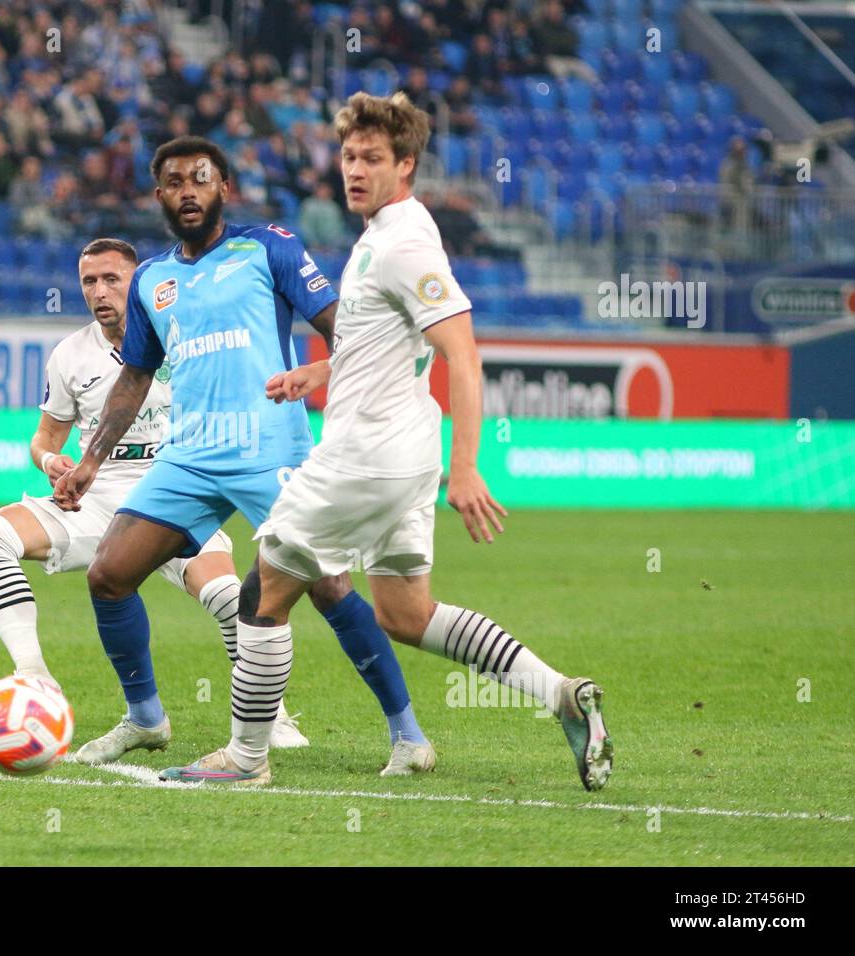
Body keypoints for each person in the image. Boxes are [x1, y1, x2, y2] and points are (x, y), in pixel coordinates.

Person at [160, 93, 614, 790]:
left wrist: (467, 468)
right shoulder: (384, 235)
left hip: (366, 455)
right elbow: (388, 341)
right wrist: (321, 368)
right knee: (406, 613)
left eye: (373, 158)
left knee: (263, 591)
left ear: (406, 164)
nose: (355, 170)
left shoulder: (401, 244)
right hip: (402, 454)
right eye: (347, 156)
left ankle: (246, 761)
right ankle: (561, 694)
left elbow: (462, 354)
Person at [53, 136, 436, 775]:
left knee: (329, 588)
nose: (187, 191)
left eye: (200, 179)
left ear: (223, 187)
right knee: (109, 574)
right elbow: (135, 376)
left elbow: (345, 331)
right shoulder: (151, 278)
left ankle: (408, 735)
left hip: (270, 452)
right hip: (188, 459)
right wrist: (90, 460)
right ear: (160, 197)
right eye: (174, 182)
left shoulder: (269, 248)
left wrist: (353, 404)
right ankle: (146, 719)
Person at [0, 237, 307, 750]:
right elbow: (44, 438)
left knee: (227, 596)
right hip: (96, 493)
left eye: (111, 279)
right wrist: (49, 461)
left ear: (139, 281)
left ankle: (270, 714)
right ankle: (36, 676)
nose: (99, 292)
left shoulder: (188, 334)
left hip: (174, 487)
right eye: (88, 281)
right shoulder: (69, 356)